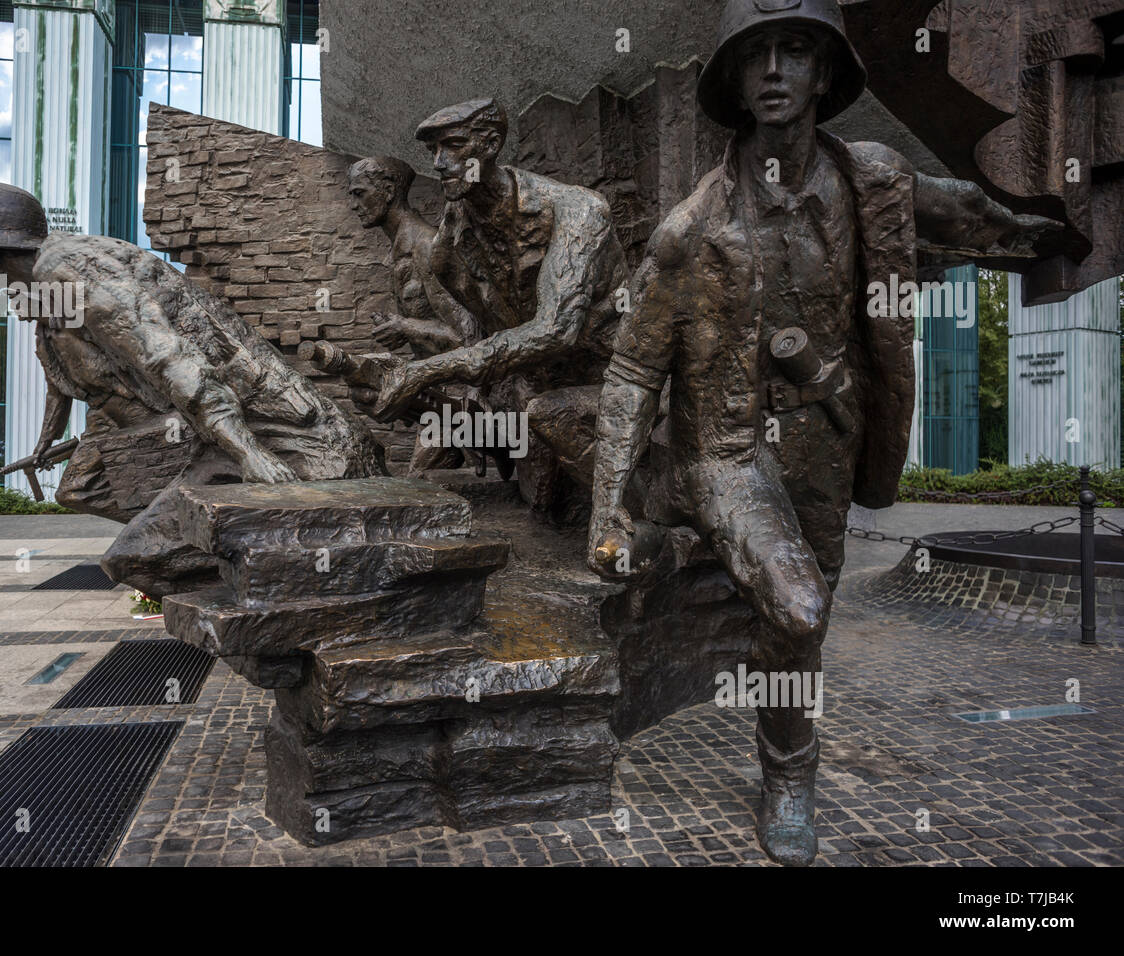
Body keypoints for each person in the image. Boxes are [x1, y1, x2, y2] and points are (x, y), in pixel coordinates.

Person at [587, 0, 1061, 865]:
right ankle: (788, 775)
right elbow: (629, 374)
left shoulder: (872, 178)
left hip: (827, 446)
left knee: (808, 617)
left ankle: (771, 719)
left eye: (795, 50)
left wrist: (1051, 231)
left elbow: (960, 214)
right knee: (799, 605)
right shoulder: (690, 233)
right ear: (732, 81)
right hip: (728, 450)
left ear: (825, 73)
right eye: (755, 54)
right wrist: (604, 509)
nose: (773, 71)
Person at [0, 181, 384, 597]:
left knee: (135, 559)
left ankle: (274, 593)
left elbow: (169, 359)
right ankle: (258, 577)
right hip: (213, 433)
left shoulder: (68, 271)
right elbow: (61, 373)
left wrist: (251, 455)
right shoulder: (43, 287)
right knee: (128, 536)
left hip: (278, 434)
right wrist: (48, 440)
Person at [351, 98, 630, 512]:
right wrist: (450, 394)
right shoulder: (452, 238)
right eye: (433, 152)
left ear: (492, 144)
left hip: (610, 379)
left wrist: (423, 371)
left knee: (591, 483)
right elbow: (475, 330)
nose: (441, 163)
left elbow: (557, 329)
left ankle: (646, 526)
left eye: (454, 146)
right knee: (542, 502)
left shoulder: (578, 209)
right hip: (531, 391)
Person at [346, 156, 480, 473]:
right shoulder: (399, 251)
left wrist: (405, 326)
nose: (353, 205)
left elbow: (469, 337)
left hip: (467, 399)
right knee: (419, 486)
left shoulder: (424, 246)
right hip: (439, 396)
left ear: (389, 190)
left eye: (359, 193)